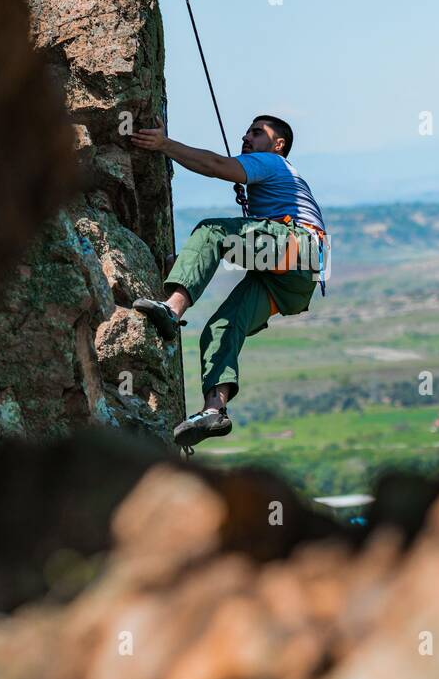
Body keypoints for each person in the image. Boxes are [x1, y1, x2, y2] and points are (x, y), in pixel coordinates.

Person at [129, 114, 328, 448]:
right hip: (294, 278)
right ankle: (214, 410)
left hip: (297, 247)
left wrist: (165, 145)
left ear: (278, 145)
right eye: (247, 132)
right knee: (222, 327)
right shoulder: (275, 174)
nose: (246, 137)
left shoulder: (272, 163)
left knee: (213, 231)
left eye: (256, 132)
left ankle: (172, 309)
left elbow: (216, 165)